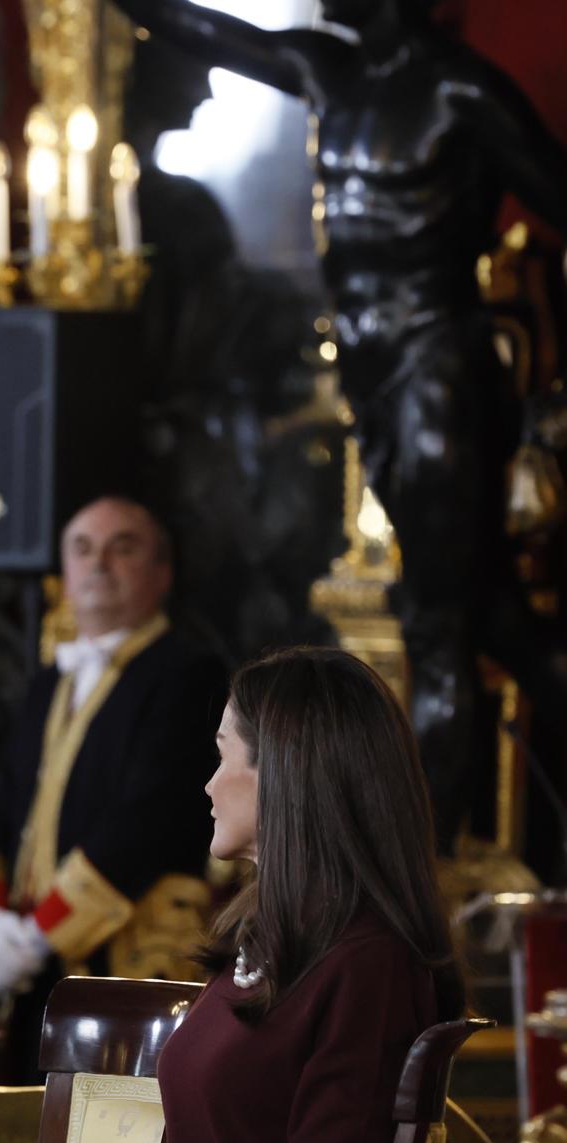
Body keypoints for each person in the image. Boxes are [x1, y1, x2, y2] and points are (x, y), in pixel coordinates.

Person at [108, 0, 567, 856]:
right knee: (491, 611)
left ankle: (422, 876)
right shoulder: (331, 69)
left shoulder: (462, 92)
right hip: (372, 373)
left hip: (439, 372)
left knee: (438, 620)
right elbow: (210, 32)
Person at [13, 647, 466, 1143]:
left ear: (285, 772)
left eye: (224, 753)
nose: (206, 782)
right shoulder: (267, 942)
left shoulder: (370, 966)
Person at [0, 497, 226, 1078]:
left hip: (130, 965)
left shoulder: (188, 673)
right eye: (82, 549)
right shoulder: (48, 681)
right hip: (38, 968)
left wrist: (35, 935)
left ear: (162, 574)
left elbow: (151, 820)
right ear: (64, 573)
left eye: (121, 547)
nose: (98, 563)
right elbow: (1, 805)